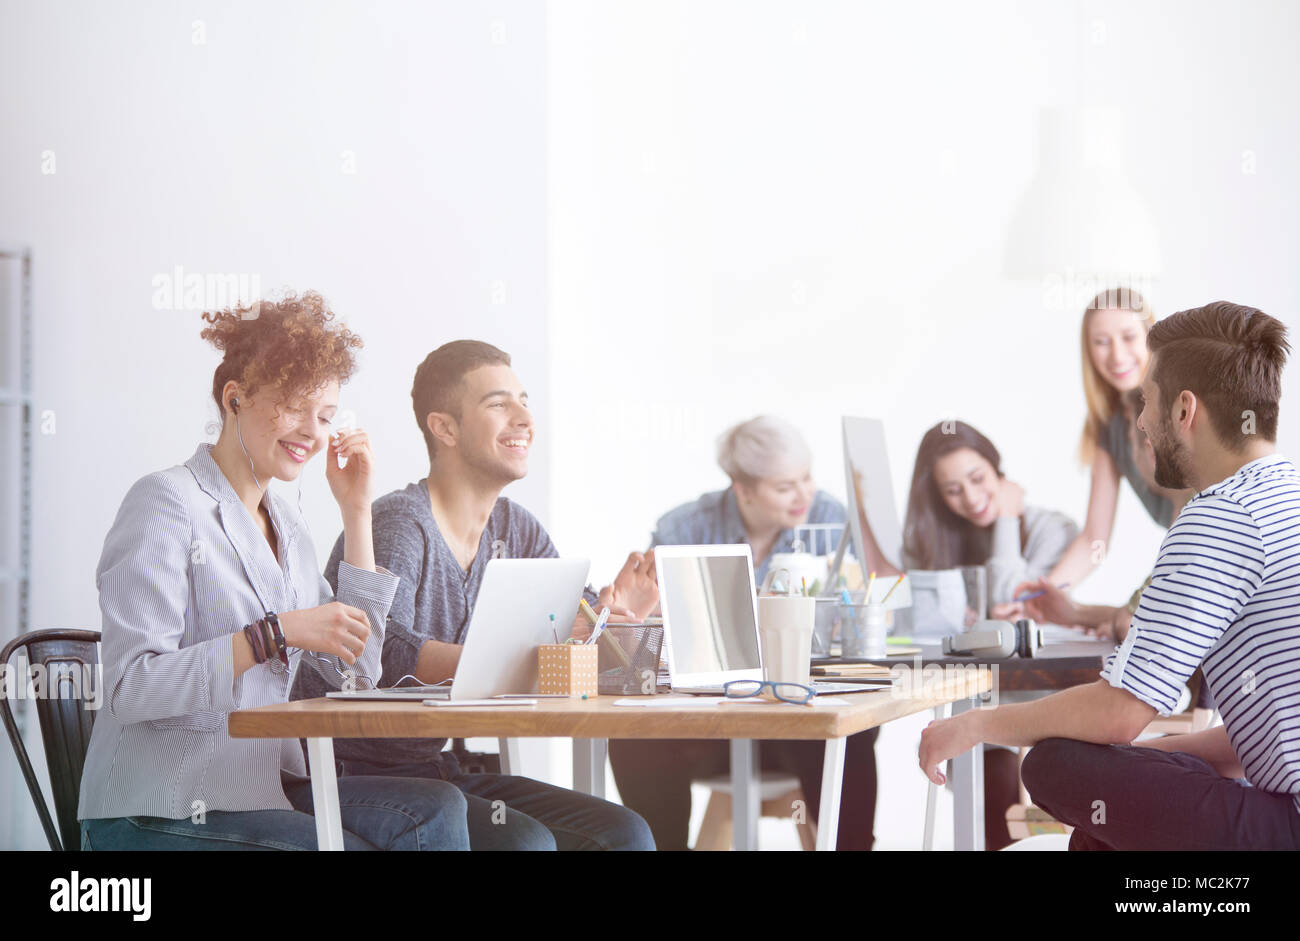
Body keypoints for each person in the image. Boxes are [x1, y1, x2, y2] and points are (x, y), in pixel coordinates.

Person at [78, 292, 471, 850]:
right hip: (156, 805)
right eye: (293, 406)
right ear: (234, 398)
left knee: (436, 808)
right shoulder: (166, 501)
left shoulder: (288, 525)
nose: (313, 431)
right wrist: (275, 633)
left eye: (326, 416)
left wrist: (357, 512)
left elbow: (357, 672)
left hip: (261, 789)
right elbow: (130, 689)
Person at [919, 301, 1300, 851]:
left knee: (1053, 763)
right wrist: (1138, 762)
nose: (1141, 422)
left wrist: (973, 725)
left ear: (1184, 409)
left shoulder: (1220, 517)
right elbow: (1259, 743)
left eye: (1148, 401)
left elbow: (1119, 713)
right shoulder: (1284, 496)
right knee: (1101, 811)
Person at [291, 339, 655, 850]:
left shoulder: (515, 528)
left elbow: (582, 618)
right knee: (524, 843)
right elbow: (381, 655)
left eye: (524, 401)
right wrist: (514, 660)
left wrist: (617, 623)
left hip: (434, 768)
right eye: (499, 404)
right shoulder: (401, 524)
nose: (524, 418)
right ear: (445, 428)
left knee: (623, 832)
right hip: (347, 772)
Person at [608, 416, 881, 851]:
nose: (805, 494)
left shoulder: (830, 519)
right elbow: (651, 625)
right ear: (744, 489)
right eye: (785, 486)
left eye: (807, 477)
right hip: (708, 724)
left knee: (844, 730)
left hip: (794, 719)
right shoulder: (684, 529)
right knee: (634, 737)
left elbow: (856, 615)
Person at [851, 419, 1079, 848]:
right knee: (991, 781)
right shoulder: (935, 543)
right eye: (953, 490)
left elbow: (1013, 603)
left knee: (1030, 779)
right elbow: (903, 606)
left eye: (978, 479)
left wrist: (1007, 520)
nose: (971, 499)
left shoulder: (1053, 530)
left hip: (1049, 709)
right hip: (983, 717)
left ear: (998, 469)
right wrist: (860, 510)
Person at [1034, 288, 1191, 591]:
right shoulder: (1110, 426)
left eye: (1129, 337)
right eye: (1101, 342)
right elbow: (1094, 540)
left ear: (1151, 338)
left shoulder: (1181, 404)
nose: (1117, 355)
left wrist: (1140, 604)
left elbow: (1192, 511)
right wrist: (1043, 597)